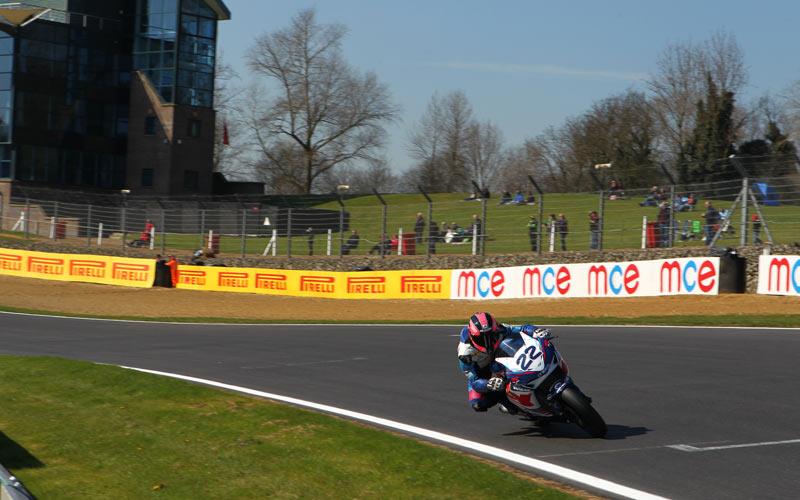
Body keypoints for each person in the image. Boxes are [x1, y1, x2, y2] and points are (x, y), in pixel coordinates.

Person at [457, 312, 551, 413]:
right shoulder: (465, 355)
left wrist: (536, 331)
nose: (487, 342)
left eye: (491, 336)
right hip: (482, 370)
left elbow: (522, 329)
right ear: (472, 336)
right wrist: (489, 384)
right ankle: (508, 403)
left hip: (501, 356)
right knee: (478, 404)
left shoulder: (500, 328)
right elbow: (475, 381)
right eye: (482, 338)